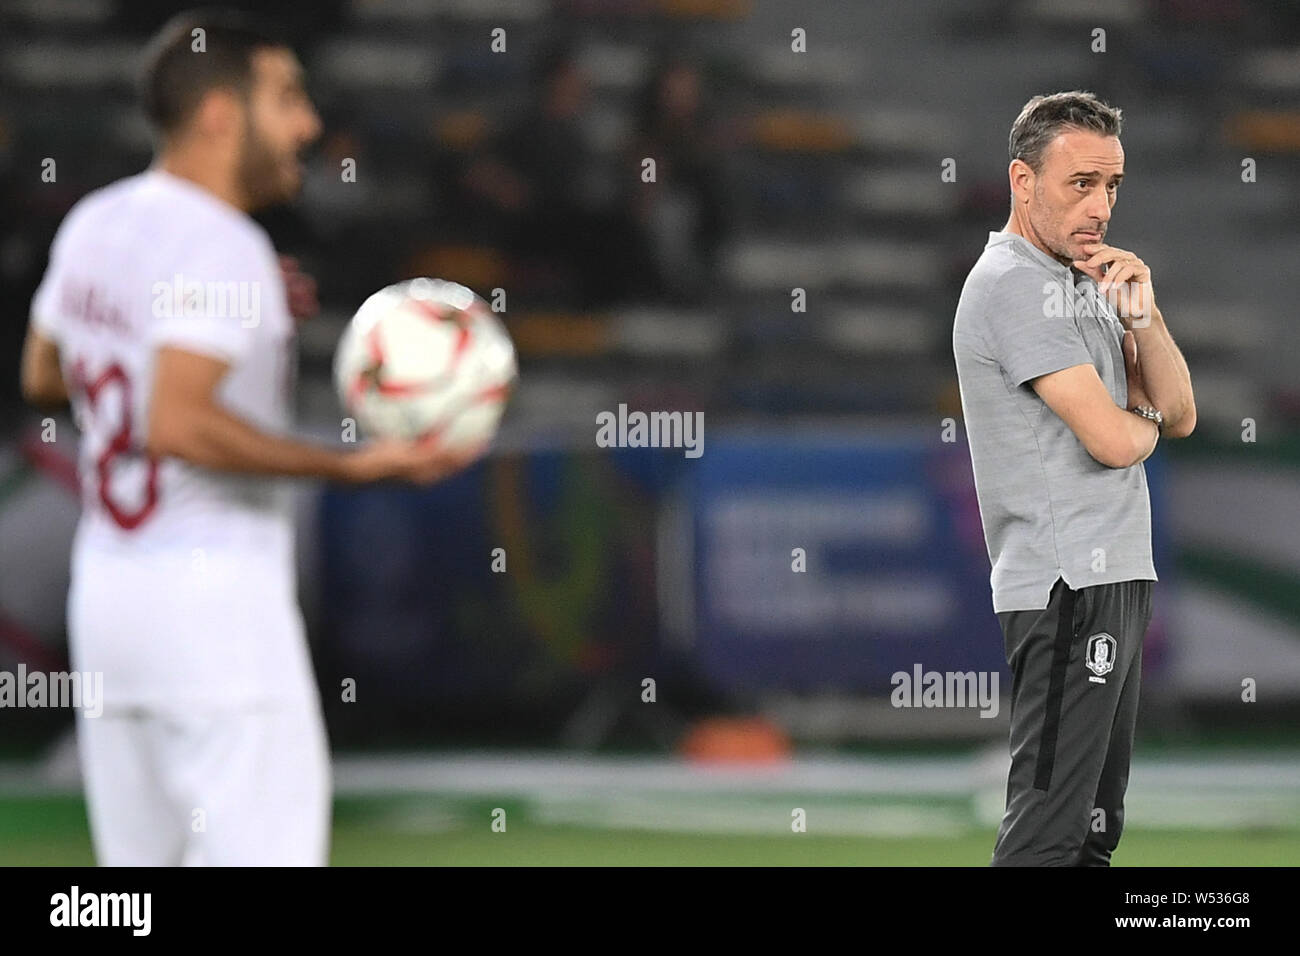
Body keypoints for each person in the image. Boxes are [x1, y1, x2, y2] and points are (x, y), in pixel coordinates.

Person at [18, 10, 476, 866]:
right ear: (221, 114)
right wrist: (355, 466)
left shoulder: (97, 222)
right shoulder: (224, 246)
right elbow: (178, 423)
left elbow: (43, 374)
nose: (307, 124)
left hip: (111, 598)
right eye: (287, 98)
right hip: (215, 610)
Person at [951, 91, 1196, 866]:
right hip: (1068, 584)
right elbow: (1117, 440)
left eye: (1112, 185)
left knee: (1092, 835)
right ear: (1023, 182)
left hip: (1110, 573)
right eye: (1081, 183)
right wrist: (1143, 416)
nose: (1101, 206)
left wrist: (1144, 316)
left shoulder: (1084, 280)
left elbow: (1182, 412)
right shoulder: (1015, 284)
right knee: (1048, 835)